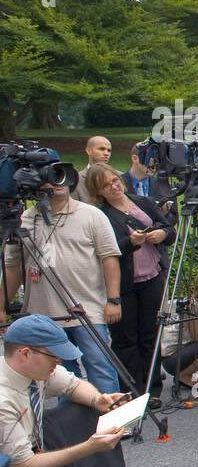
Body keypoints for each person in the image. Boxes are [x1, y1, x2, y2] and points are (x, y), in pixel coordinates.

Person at [0, 315, 129, 467]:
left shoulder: (30, 369)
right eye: (53, 355)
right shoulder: (2, 397)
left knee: (87, 409)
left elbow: (73, 385)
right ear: (25, 353)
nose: (58, 361)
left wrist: (97, 399)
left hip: (25, 447)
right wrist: (89, 447)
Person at [2, 177, 122, 395]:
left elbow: (110, 258)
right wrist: (2, 306)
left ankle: (113, 421)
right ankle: (73, 427)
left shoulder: (91, 214)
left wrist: (113, 300)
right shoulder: (23, 221)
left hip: (88, 310)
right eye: (48, 178)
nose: (56, 182)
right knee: (60, 377)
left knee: (101, 368)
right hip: (44, 315)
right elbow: (13, 268)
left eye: (60, 176)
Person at [86, 164, 175, 399]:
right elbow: (106, 251)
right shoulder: (100, 215)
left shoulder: (142, 202)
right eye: (107, 184)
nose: (114, 186)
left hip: (151, 277)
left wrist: (162, 234)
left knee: (150, 334)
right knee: (126, 339)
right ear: (99, 191)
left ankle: (152, 388)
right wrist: (130, 242)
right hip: (124, 283)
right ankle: (131, 390)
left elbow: (168, 228)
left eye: (115, 180)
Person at [122, 141, 176, 212]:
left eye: (157, 158)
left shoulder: (166, 187)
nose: (155, 163)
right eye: (150, 158)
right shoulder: (116, 185)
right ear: (135, 159)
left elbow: (173, 217)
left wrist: (163, 214)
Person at [72, 135, 113, 204]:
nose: (106, 153)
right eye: (101, 149)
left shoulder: (120, 176)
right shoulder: (76, 180)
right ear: (88, 151)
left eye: (109, 150)